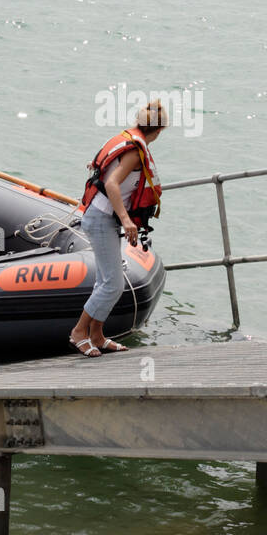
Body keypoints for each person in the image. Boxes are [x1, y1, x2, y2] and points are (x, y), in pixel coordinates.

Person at [68, 101, 166, 357]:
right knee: (113, 284)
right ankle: (79, 332)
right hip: (102, 218)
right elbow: (111, 183)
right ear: (160, 130)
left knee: (105, 280)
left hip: (101, 217)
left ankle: (97, 335)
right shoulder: (134, 150)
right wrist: (126, 219)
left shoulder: (126, 138)